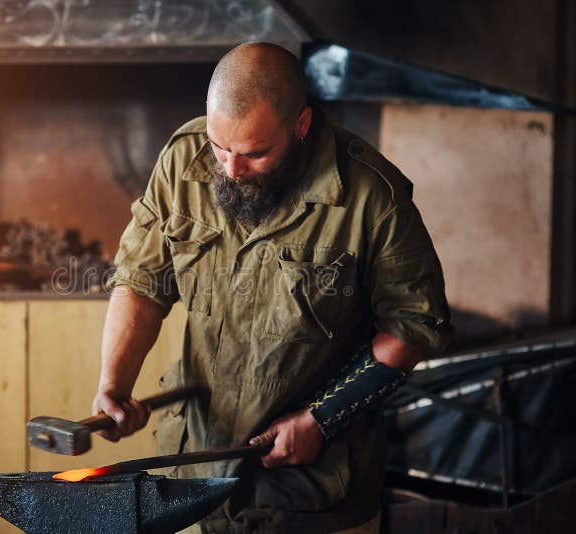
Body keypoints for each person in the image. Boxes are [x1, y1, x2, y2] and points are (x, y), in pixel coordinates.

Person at [92, 42, 453, 533]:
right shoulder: (184, 160)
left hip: (314, 493)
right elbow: (141, 279)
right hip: (200, 473)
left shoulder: (373, 199)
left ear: (301, 126)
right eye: (221, 147)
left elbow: (414, 327)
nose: (231, 170)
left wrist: (322, 419)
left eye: (255, 153)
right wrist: (115, 382)